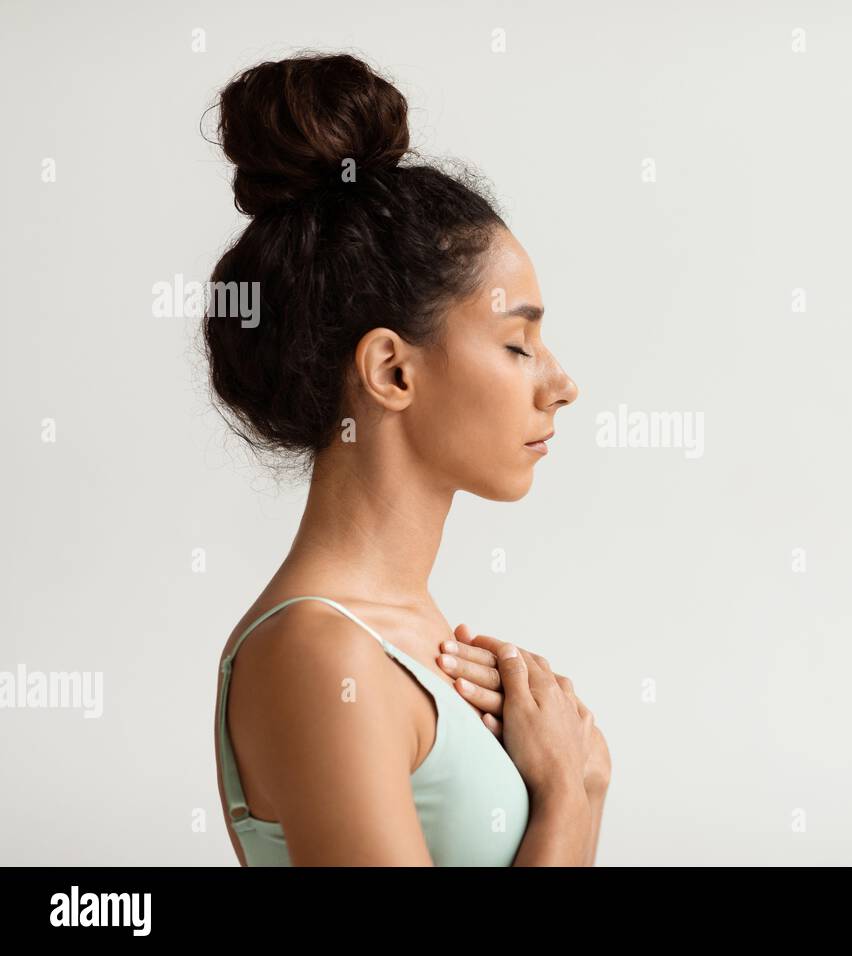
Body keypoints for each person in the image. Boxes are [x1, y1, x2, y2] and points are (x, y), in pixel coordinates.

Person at [205, 52, 608, 866]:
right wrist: (572, 797)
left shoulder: (407, 632)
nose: (563, 384)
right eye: (517, 343)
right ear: (392, 370)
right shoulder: (319, 656)